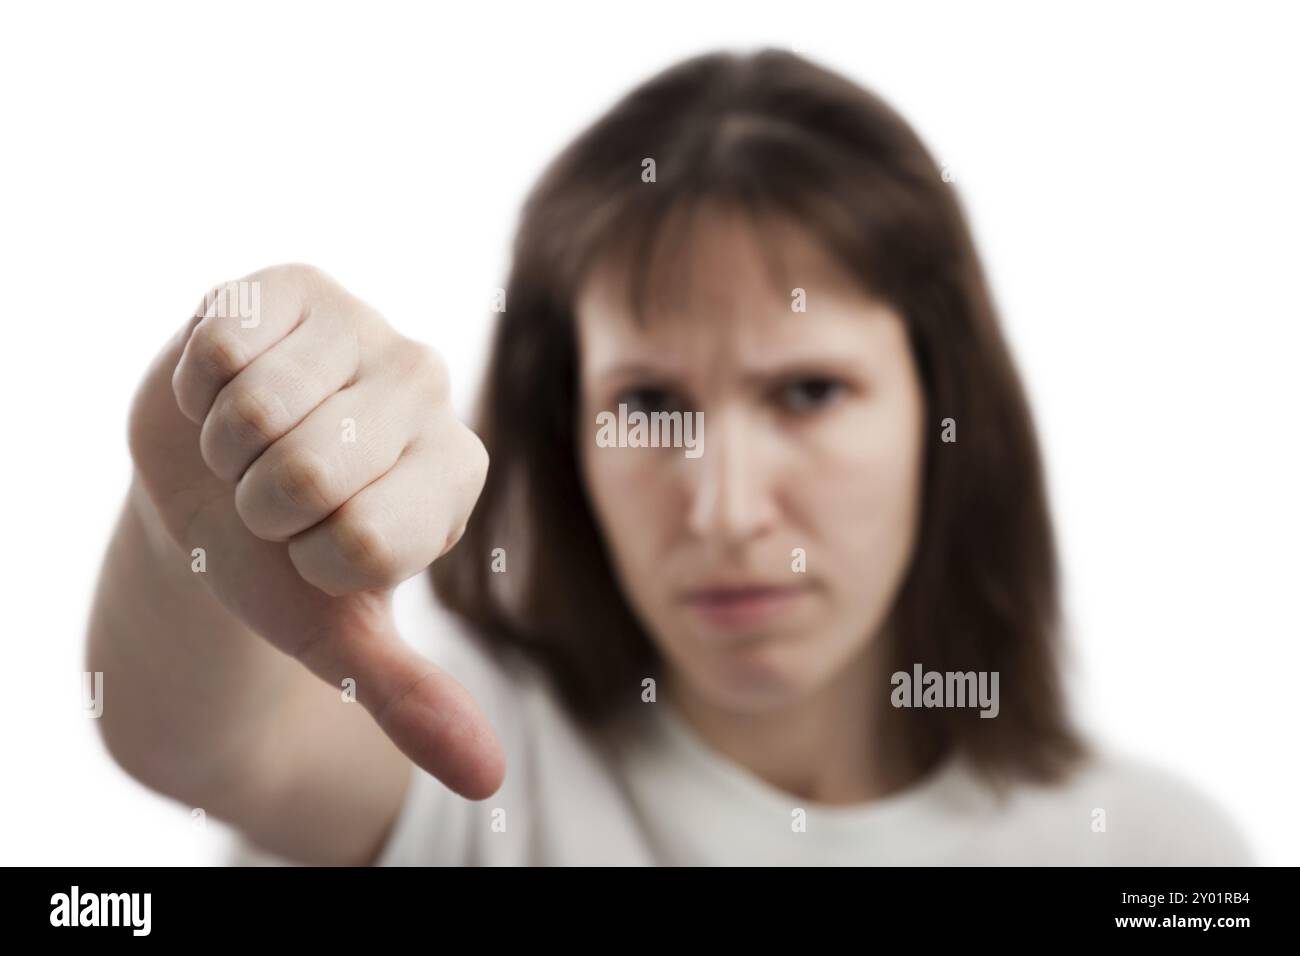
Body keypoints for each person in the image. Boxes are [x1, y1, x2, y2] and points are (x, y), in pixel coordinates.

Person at [86, 49, 1250, 865]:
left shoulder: (1157, 856)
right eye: (647, 403)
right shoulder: (470, 770)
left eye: (807, 389)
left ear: (944, 415)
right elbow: (198, 740)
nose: (728, 507)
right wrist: (190, 499)